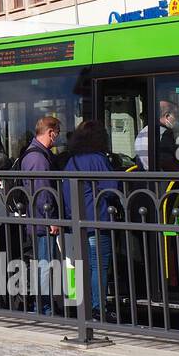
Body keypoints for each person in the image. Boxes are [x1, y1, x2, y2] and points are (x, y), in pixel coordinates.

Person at [62, 120, 119, 321]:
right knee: (99, 265)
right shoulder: (97, 159)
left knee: (85, 265)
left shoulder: (72, 161)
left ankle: (85, 306)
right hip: (97, 219)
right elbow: (112, 188)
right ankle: (98, 308)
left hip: (78, 221)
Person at [20, 116, 63, 316]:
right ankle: (42, 307)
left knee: (43, 264)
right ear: (50, 132)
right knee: (44, 265)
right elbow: (41, 192)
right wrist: (50, 219)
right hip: (42, 222)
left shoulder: (35, 154)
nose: (58, 138)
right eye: (57, 133)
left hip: (38, 220)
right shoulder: (38, 158)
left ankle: (43, 305)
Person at [135, 100, 179, 171]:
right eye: (177, 116)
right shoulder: (164, 133)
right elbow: (167, 162)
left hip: (144, 178)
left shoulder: (143, 131)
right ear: (167, 116)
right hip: (161, 179)